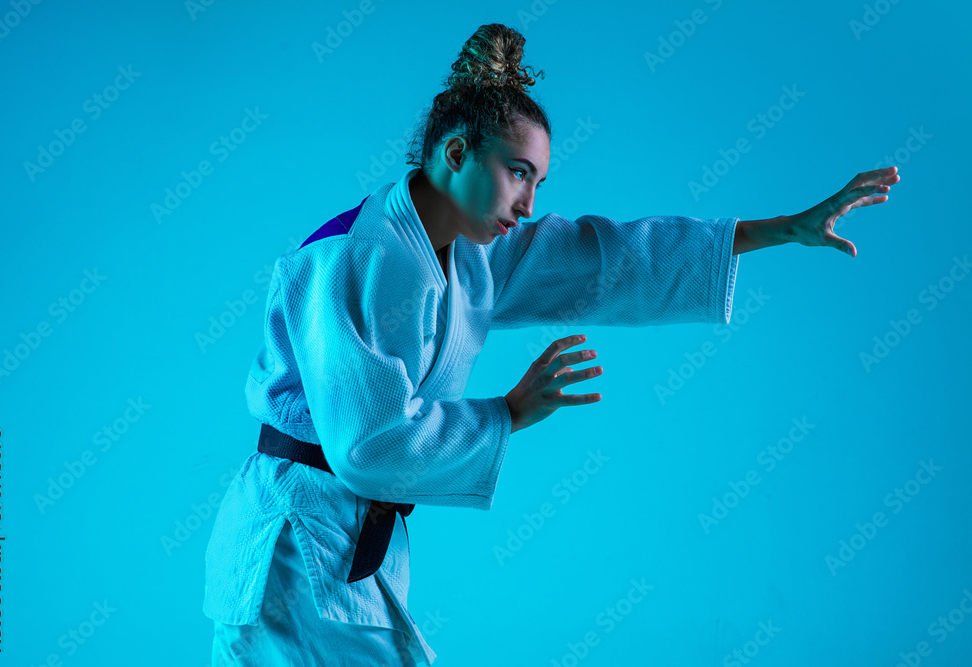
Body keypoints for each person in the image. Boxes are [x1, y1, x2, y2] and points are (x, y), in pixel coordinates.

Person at [202, 22, 899, 667]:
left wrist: (780, 228)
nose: (529, 202)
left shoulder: (470, 252)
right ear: (455, 154)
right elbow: (369, 443)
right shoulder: (364, 257)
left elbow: (608, 257)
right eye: (518, 172)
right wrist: (507, 411)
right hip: (298, 543)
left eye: (538, 179)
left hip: (341, 543)